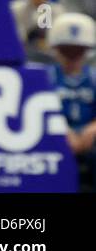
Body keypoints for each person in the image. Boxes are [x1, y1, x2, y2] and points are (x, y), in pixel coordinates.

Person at [45, 12, 96, 186]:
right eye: (66, 51)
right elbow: (40, 111)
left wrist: (93, 128)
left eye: (78, 52)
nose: (72, 57)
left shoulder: (93, 78)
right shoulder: (47, 78)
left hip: (89, 137)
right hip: (56, 135)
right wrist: (63, 130)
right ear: (56, 49)